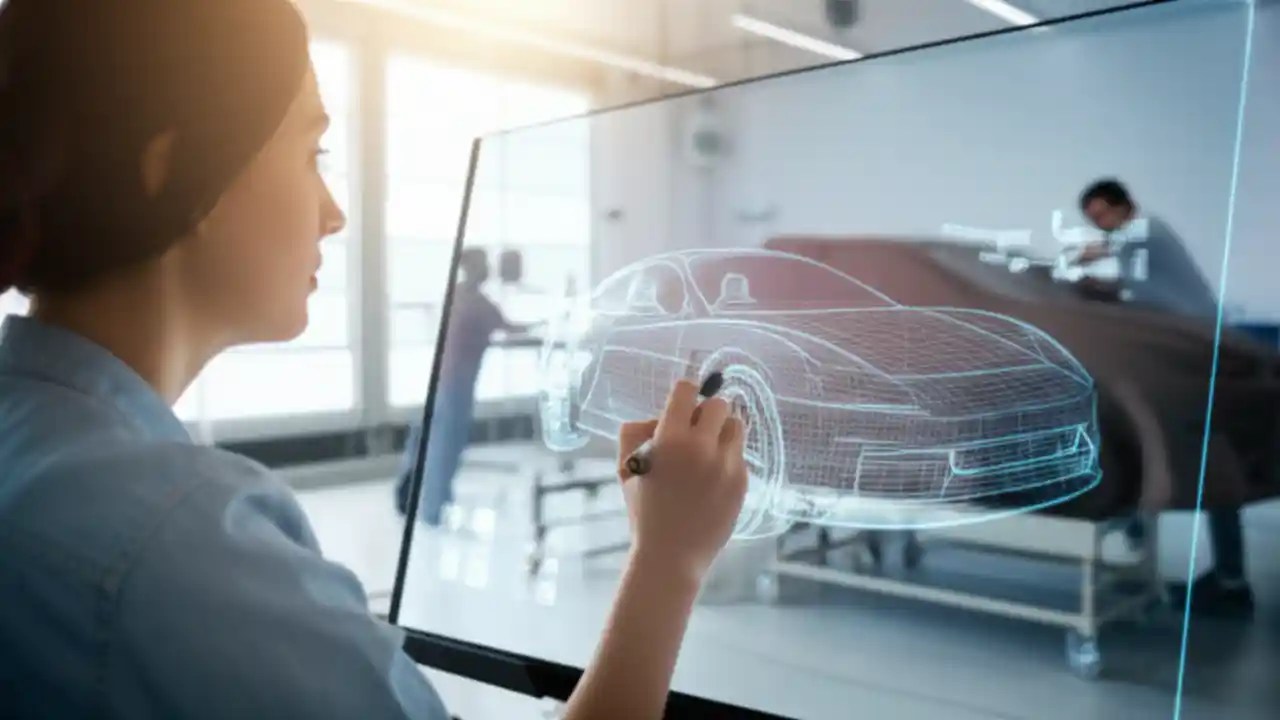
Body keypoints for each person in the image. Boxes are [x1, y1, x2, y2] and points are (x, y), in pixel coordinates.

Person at [0, 3, 749, 719]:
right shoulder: (183, 543)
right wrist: (669, 558)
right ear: (178, 176)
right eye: (311, 155)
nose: (334, 213)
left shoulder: (33, 443)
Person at [1078, 178, 1253, 616]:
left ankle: (1227, 581)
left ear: (1126, 206)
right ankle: (1221, 573)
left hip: (1198, 357)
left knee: (1204, 460)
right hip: (1196, 354)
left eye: (1103, 216)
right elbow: (1133, 280)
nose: (1101, 226)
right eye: (1094, 221)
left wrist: (1093, 273)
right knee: (1182, 452)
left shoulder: (1144, 232)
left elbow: (1125, 280)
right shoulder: (1144, 241)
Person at [394, 248, 528, 526]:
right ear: (473, 267)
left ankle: (417, 501)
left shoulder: (457, 295)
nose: (488, 269)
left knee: (428, 442)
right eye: (483, 264)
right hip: (457, 385)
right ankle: (432, 509)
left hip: (441, 381)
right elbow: (511, 328)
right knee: (445, 447)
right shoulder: (478, 304)